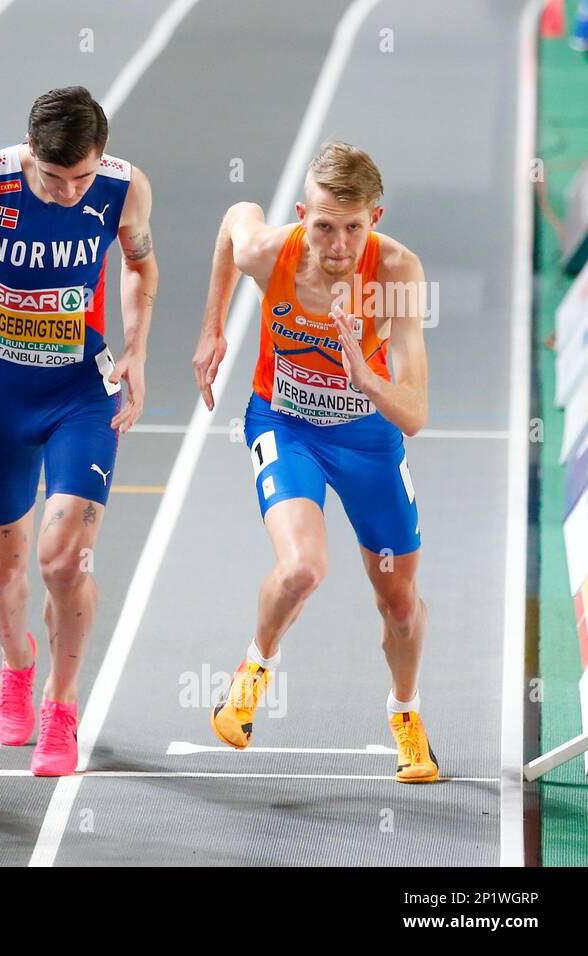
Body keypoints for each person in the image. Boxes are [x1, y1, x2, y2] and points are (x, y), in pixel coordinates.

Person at [0, 87, 158, 776]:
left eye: (82, 176)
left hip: (82, 395)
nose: (71, 192)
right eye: (54, 178)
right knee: (2, 571)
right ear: (29, 152)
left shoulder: (125, 188)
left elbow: (140, 266)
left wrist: (135, 349)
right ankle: (17, 665)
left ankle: (61, 702)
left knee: (62, 560)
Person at [192, 141, 438, 782]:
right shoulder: (269, 253)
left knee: (400, 603)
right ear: (302, 216)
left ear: (374, 220)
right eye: (323, 226)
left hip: (367, 438)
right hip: (285, 423)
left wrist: (364, 375)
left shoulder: (397, 274)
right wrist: (213, 326)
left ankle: (406, 713)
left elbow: (413, 411)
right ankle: (254, 671)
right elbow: (234, 218)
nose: (336, 244)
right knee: (302, 567)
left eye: (352, 228)